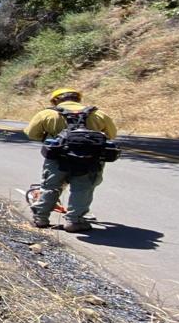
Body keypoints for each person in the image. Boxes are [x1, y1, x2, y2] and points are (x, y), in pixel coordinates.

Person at [25, 87, 118, 232]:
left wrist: (51, 137)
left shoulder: (47, 114)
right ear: (78, 99)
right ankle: (74, 221)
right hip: (90, 159)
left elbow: (32, 134)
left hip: (57, 157)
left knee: (50, 187)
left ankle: (41, 219)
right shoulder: (98, 114)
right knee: (82, 189)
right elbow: (111, 135)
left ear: (55, 101)